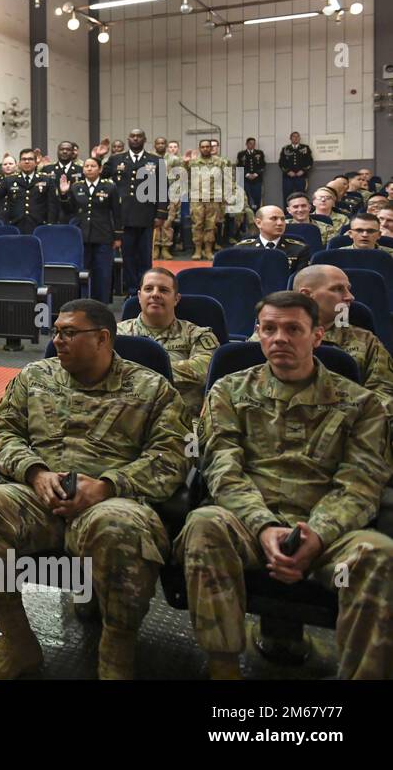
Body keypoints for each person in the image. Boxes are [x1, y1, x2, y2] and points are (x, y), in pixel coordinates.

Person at [0, 299, 190, 679]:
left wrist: (107, 486)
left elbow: (173, 458)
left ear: (102, 338)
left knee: (120, 528)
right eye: (56, 332)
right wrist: (35, 473)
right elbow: (4, 434)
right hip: (40, 498)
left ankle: (116, 656)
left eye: (69, 333)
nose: (58, 341)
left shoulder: (151, 389)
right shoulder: (35, 376)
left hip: (110, 501)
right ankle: (17, 642)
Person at [178, 292, 393, 679]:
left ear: (317, 336)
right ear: (257, 334)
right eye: (269, 328)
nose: (279, 338)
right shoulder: (228, 392)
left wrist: (319, 536)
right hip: (246, 523)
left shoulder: (361, 405)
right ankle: (223, 667)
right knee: (204, 524)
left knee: (380, 555)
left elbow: (361, 484)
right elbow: (223, 471)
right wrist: (263, 527)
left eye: (293, 329)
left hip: (328, 532)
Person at [249, 265, 393, 412]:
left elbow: (385, 394)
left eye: (348, 288)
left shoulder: (365, 340)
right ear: (306, 295)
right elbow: (246, 389)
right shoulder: (266, 339)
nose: (350, 296)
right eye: (337, 289)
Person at [116, 268, 220, 419]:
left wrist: (135, 374)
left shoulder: (197, 335)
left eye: (163, 290)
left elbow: (205, 370)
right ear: (139, 296)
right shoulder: (118, 335)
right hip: (127, 418)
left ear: (176, 299)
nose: (155, 294)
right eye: (148, 289)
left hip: (181, 420)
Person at [107, 129, 167, 295]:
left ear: (144, 139)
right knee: (128, 256)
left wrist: (161, 213)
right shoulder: (116, 159)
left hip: (146, 215)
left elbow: (162, 188)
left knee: (144, 256)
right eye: (132, 136)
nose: (135, 139)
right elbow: (100, 176)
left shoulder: (155, 160)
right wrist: (99, 156)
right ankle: (132, 290)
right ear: (128, 139)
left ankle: (145, 288)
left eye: (138, 136)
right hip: (123, 215)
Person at [56, 156, 119, 303]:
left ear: (100, 169)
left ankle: (101, 303)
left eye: (93, 166)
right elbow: (68, 210)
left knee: (103, 272)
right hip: (81, 235)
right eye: (86, 166)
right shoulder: (76, 187)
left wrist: (117, 236)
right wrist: (64, 194)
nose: (89, 169)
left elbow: (117, 212)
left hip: (103, 234)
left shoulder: (109, 187)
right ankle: (82, 302)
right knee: (82, 271)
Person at [0, 148, 58, 235]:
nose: (27, 162)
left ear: (36, 162)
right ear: (19, 163)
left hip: (39, 226)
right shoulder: (9, 180)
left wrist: (50, 224)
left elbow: (52, 204)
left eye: (30, 159)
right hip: (15, 226)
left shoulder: (46, 180)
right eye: (24, 159)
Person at [234, 205, 311, 272]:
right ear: (258, 223)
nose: (280, 223)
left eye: (283, 219)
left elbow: (299, 280)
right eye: (274, 219)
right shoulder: (242, 249)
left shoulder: (299, 249)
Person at [185, 141, 222, 260]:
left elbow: (227, 178)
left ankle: (208, 250)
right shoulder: (193, 162)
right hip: (197, 197)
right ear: (199, 148)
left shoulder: (219, 162)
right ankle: (197, 250)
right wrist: (185, 163)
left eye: (207, 147)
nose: (205, 149)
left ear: (211, 148)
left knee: (211, 225)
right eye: (203, 147)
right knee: (197, 224)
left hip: (213, 197)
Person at [279, 131, 313, 201]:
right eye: (294, 136)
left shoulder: (305, 148)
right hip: (288, 177)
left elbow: (310, 162)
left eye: (297, 136)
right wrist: (288, 171)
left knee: (301, 196)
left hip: (301, 177)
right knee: (287, 196)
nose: (296, 138)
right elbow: (281, 163)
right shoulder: (285, 149)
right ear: (290, 138)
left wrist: (303, 170)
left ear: (299, 138)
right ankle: (287, 212)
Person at [235, 138, 265, 214]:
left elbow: (263, 165)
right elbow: (239, 166)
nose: (252, 145)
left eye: (254, 143)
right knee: (246, 197)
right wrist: (247, 174)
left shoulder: (259, 153)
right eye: (250, 143)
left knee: (257, 197)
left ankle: (256, 213)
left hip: (257, 179)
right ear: (247, 144)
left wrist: (256, 174)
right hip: (246, 180)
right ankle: (247, 214)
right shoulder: (241, 154)